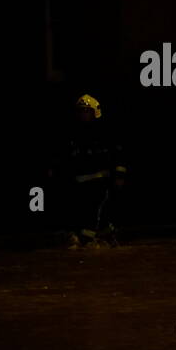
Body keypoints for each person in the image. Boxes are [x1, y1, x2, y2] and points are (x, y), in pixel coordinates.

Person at [62, 94, 127, 247]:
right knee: (84, 211)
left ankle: (88, 238)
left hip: (100, 180)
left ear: (95, 112)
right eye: (81, 111)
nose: (84, 114)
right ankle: (106, 234)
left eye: (87, 110)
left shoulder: (105, 133)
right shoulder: (73, 133)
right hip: (79, 182)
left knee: (93, 209)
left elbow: (118, 155)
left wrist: (119, 175)